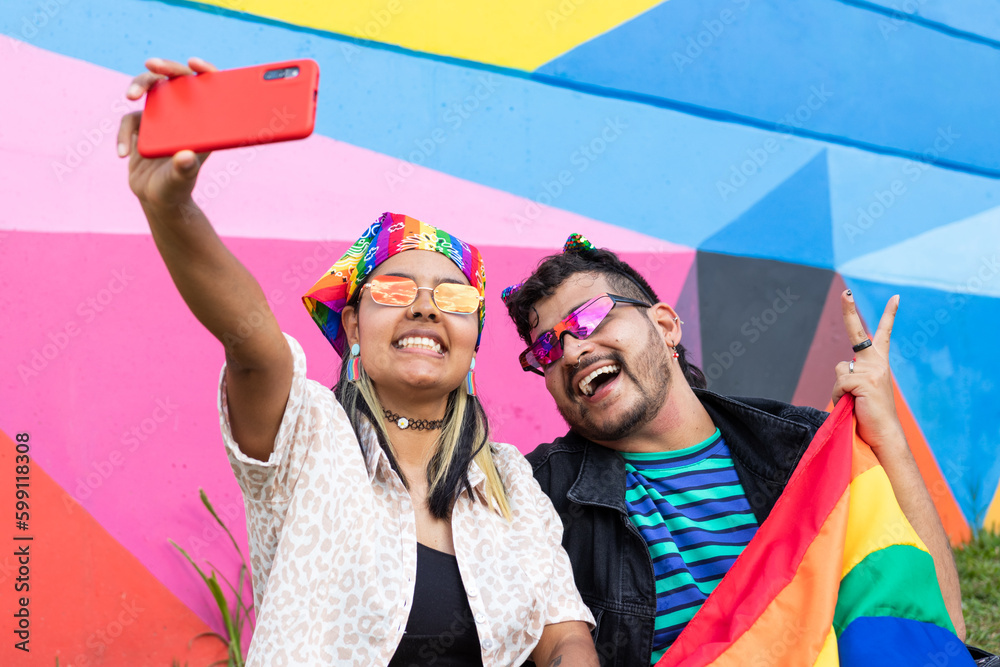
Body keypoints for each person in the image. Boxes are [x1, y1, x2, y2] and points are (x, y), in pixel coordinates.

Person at [117, 57, 598, 667]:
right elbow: (251, 343)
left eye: (452, 298)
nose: (424, 308)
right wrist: (171, 208)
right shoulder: (309, 439)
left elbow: (564, 630)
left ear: (474, 337)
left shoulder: (509, 481)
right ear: (351, 326)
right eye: (395, 291)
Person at [502, 234, 965, 666]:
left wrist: (886, 437)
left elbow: (932, 633)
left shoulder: (804, 448)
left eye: (588, 318)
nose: (569, 352)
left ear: (664, 326)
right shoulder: (533, 494)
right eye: (545, 349)